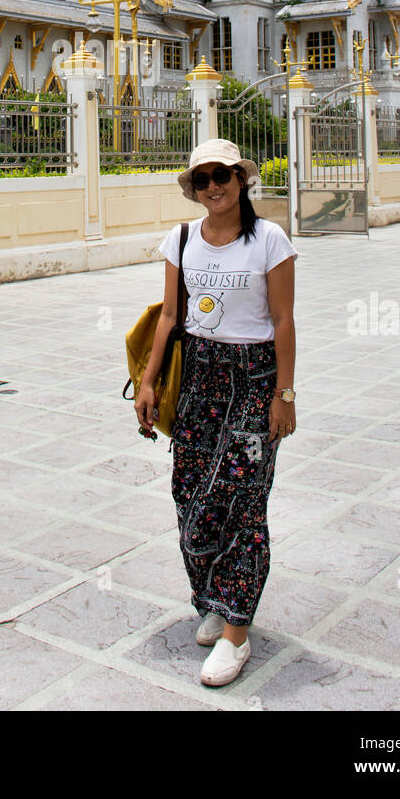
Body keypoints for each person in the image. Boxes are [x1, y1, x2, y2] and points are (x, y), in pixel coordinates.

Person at [135, 138, 297, 688]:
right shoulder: (181, 239)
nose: (213, 187)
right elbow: (168, 318)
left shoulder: (269, 240)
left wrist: (285, 394)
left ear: (242, 179)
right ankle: (213, 596)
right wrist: (148, 381)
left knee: (245, 501)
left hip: (253, 380)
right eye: (201, 179)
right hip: (199, 378)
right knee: (192, 496)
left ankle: (235, 631)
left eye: (222, 175)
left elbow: (282, 321)